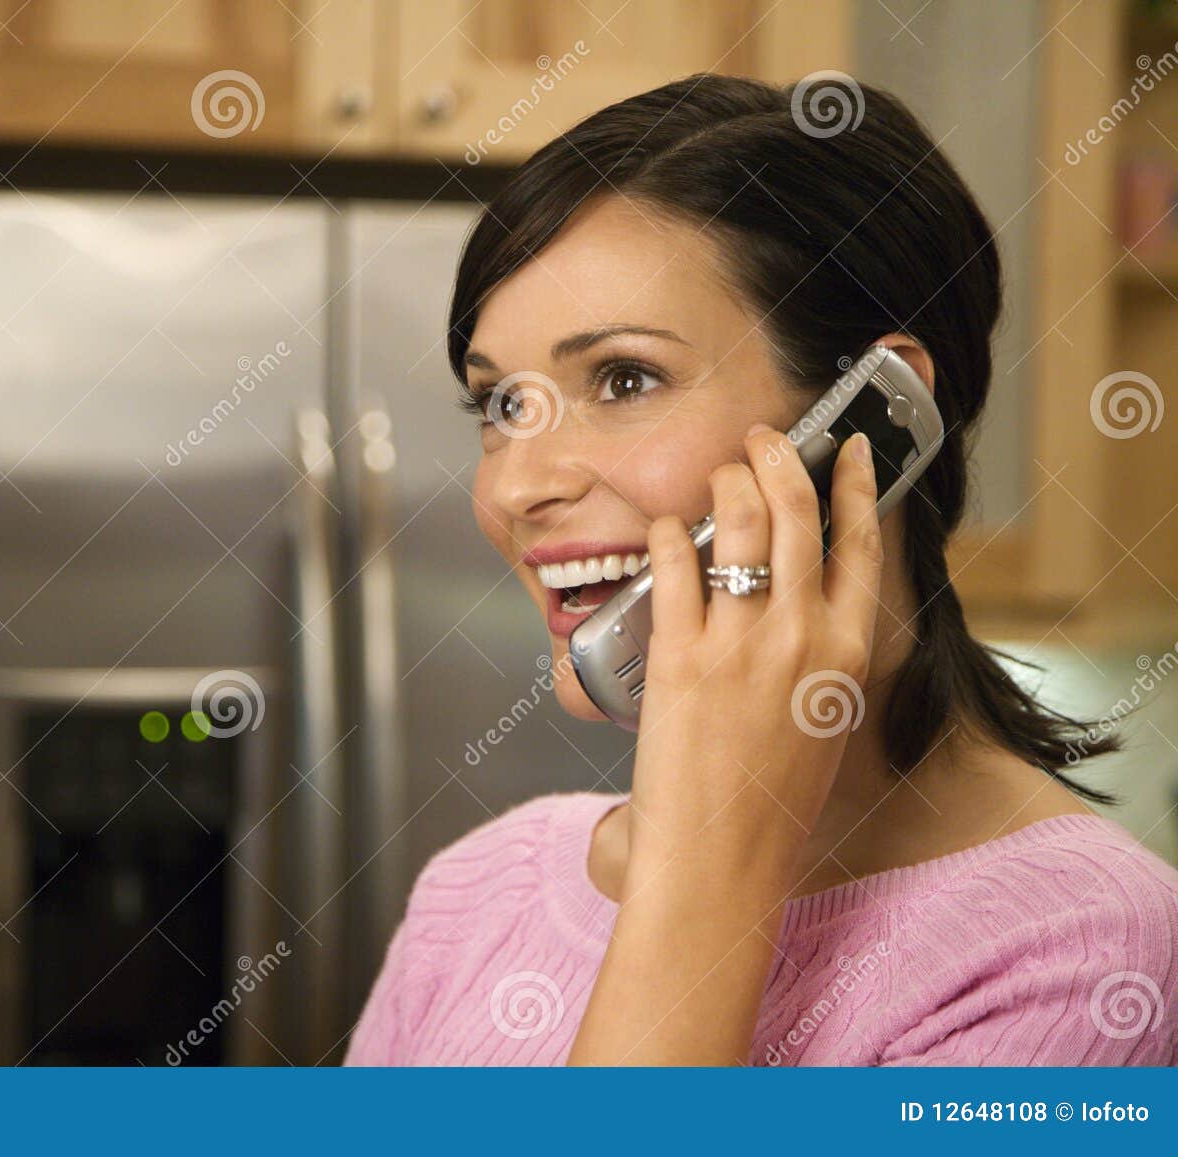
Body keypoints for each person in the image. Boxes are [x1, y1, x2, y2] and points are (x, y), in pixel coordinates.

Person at [344, 73, 1178, 1066]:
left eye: (622, 378)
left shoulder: (1081, 951)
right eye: (501, 406)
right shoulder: (483, 884)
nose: (515, 488)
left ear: (871, 424)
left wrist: (702, 873)